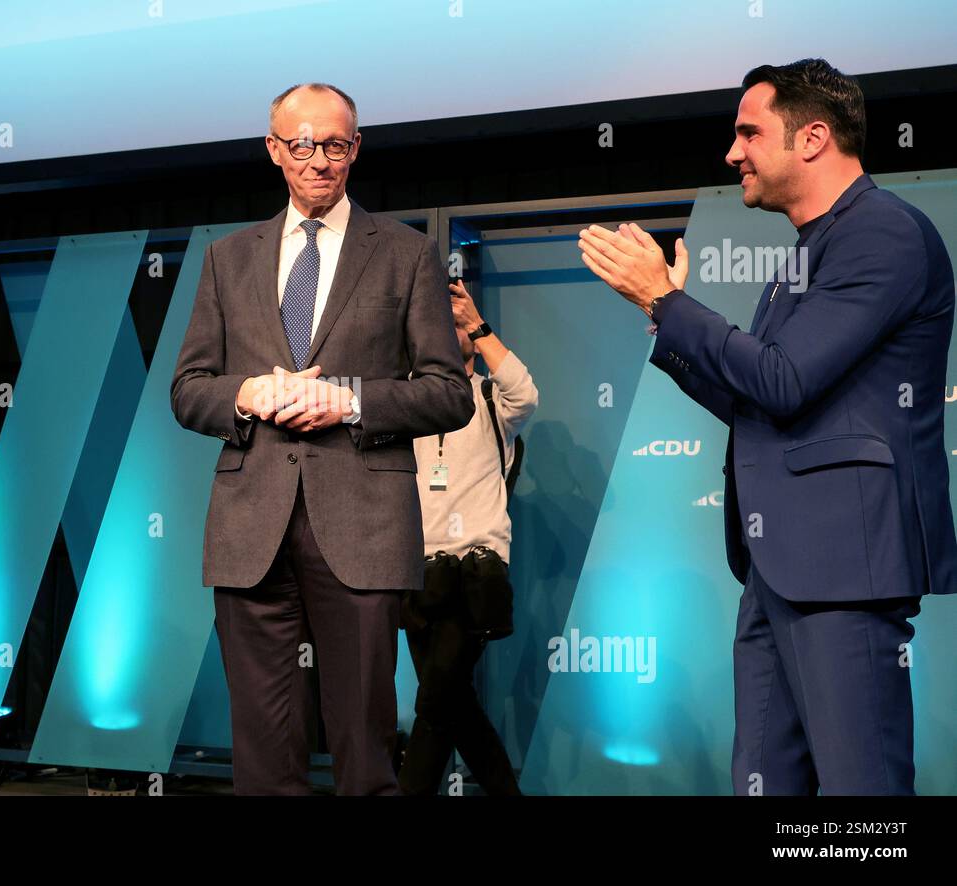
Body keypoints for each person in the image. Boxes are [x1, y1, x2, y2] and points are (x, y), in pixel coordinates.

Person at [578, 59, 956, 795]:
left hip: (844, 566)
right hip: (779, 567)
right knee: (765, 783)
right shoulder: (807, 253)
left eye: (749, 132)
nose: (732, 152)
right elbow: (765, 400)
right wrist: (664, 317)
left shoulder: (883, 233)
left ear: (812, 137)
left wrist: (668, 301)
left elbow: (780, 379)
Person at [171, 83, 474, 795]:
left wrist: (349, 401)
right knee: (263, 755)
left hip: (363, 527)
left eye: (335, 145)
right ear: (274, 151)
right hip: (251, 529)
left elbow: (449, 391)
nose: (319, 161)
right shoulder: (226, 259)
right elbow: (189, 389)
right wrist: (245, 393)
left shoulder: (406, 254)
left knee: (365, 750)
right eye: (302, 145)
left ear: (355, 150)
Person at [400, 278, 537, 796]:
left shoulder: (489, 398)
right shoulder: (410, 399)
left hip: (471, 575)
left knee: (436, 702)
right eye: (443, 324)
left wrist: (477, 326)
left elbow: (525, 391)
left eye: (456, 325)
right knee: (454, 707)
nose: (449, 331)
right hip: (415, 573)